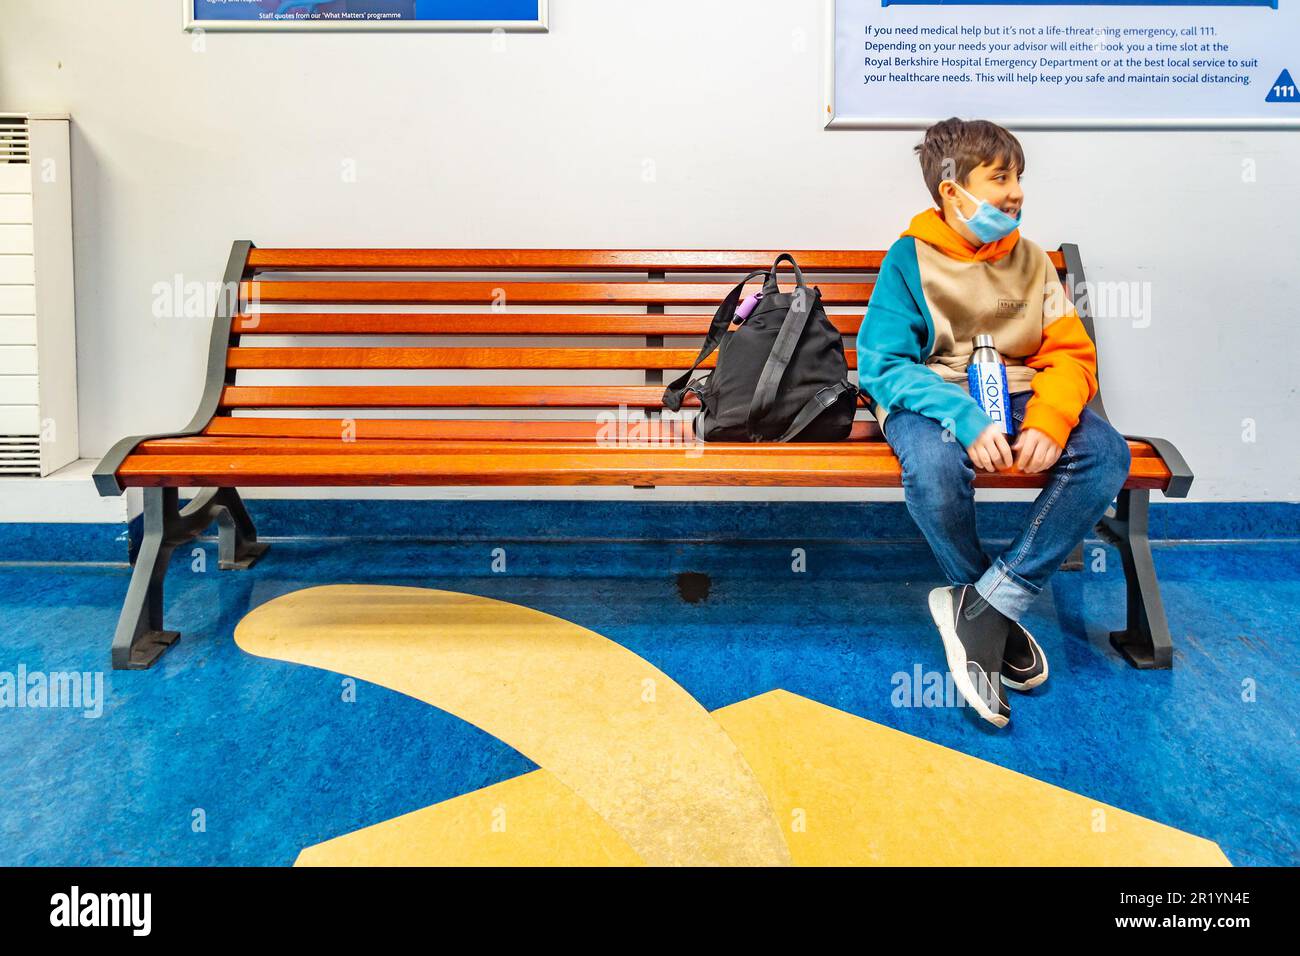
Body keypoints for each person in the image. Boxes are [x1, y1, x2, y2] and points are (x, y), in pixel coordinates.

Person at [856, 117, 1132, 728]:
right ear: (954, 190)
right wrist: (963, 416)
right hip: (934, 398)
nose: (1016, 192)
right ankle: (993, 608)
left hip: (1021, 394)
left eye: (1019, 177)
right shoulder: (908, 260)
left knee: (1109, 455)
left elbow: (1068, 354)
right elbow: (883, 365)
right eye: (1000, 177)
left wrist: (1053, 419)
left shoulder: (1032, 262)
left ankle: (981, 608)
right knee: (932, 465)